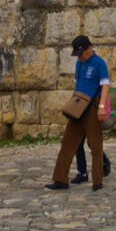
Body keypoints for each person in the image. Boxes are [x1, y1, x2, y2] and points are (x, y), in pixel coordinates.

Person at [47, 35, 110, 191]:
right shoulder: (79, 64)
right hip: (78, 107)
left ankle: (97, 180)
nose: (80, 56)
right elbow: (78, 84)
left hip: (93, 108)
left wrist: (102, 106)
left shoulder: (99, 63)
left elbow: (105, 85)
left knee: (95, 145)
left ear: (89, 48)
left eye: (81, 53)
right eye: (78, 54)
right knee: (68, 143)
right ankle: (60, 179)